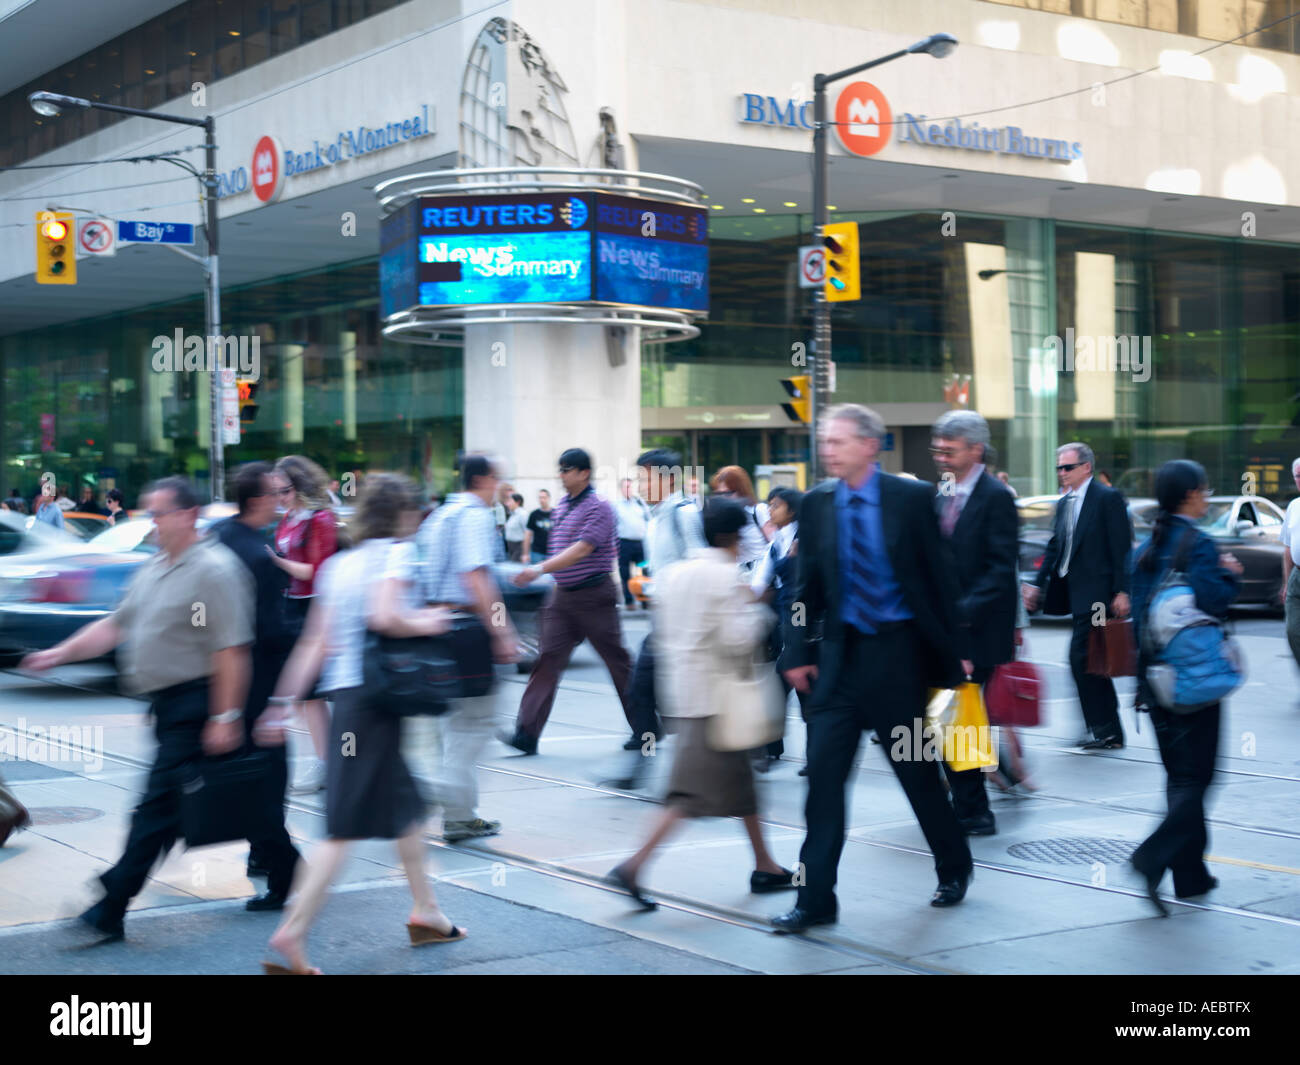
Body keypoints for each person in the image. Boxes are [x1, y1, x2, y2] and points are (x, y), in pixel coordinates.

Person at [20, 476, 254, 941]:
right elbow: (117, 625)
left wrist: (225, 716)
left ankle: (112, 904)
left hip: (196, 702)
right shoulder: (155, 567)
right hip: (166, 706)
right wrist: (58, 654)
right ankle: (288, 869)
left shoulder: (212, 570)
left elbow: (231, 649)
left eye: (159, 513)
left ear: (187, 515)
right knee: (175, 809)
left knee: (155, 809)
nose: (151, 522)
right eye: (149, 513)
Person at [773, 404, 971, 934]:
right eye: (825, 440)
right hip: (840, 663)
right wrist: (795, 652)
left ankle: (954, 867)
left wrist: (957, 651)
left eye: (837, 441)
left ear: (869, 445)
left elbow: (940, 580)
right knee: (823, 784)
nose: (827, 449)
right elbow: (803, 588)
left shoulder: (911, 500)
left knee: (918, 775)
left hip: (898, 660)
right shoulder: (816, 505)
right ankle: (815, 899)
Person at [260, 474, 462, 975]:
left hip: (352, 702)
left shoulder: (339, 566)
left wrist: (281, 702)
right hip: (371, 707)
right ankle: (293, 933)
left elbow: (313, 644)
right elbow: (386, 616)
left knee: (405, 806)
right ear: (403, 514)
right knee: (343, 827)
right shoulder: (392, 555)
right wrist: (430, 622)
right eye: (415, 511)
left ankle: (426, 909)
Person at [607, 498, 797, 908]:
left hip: (683, 696)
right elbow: (737, 639)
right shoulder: (724, 577)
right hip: (716, 704)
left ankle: (766, 865)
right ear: (734, 536)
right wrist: (760, 614)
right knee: (687, 796)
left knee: (745, 787)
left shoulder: (675, 574)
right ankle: (633, 867)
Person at [1128, 460, 1241, 915]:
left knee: (1180, 776)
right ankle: (1151, 857)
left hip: (1154, 682)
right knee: (1201, 777)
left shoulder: (1141, 551)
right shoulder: (1201, 543)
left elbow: (1137, 620)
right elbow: (1216, 601)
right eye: (1206, 489)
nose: (1208, 496)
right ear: (1192, 494)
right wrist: (1228, 572)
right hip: (1195, 683)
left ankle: (1190, 876)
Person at [500, 448, 636, 754]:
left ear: (584, 473)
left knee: (617, 662)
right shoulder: (562, 505)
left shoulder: (599, 507)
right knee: (546, 660)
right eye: (560, 469)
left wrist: (538, 569)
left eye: (566, 469)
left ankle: (646, 728)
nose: (561, 475)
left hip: (594, 595)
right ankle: (526, 733)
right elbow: (561, 549)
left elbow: (582, 548)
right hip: (561, 597)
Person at [211, 463, 303, 910]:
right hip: (256, 681)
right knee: (265, 777)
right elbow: (272, 631)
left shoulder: (221, 537)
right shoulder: (258, 556)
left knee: (250, 775)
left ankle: (265, 851)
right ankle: (283, 863)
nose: (280, 500)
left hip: (223, 678)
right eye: (274, 494)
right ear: (256, 501)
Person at [414, 454, 518, 841]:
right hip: (468, 629)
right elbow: (474, 575)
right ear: (484, 479)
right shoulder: (475, 515)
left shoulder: (442, 514)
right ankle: (429, 791)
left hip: (439, 626)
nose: (501, 489)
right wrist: (502, 630)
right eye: (499, 480)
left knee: (456, 726)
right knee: (476, 725)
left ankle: (459, 816)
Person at [930, 411, 1019, 836]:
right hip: (944, 627)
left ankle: (974, 809)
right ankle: (967, 801)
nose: (940, 456)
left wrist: (960, 614)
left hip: (975, 631)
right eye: (938, 449)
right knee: (952, 716)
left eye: (949, 449)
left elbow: (1000, 571)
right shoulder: (944, 489)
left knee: (956, 713)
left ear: (975, 449)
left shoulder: (996, 497)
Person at [602, 449, 708, 789]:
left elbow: (700, 563)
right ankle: (642, 762)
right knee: (641, 692)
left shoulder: (684, 513)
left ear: (668, 479)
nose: (642, 485)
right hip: (663, 623)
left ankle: (720, 767)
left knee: (690, 703)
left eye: (648, 478)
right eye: (641, 478)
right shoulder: (654, 517)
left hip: (687, 624)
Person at [1024, 442, 1133, 749]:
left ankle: (1104, 728)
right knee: (1091, 660)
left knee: (1082, 657)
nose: (1062, 473)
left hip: (1100, 596)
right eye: (1058, 467)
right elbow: (1055, 546)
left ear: (1086, 467)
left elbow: (1121, 547)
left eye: (1067, 467)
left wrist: (1123, 590)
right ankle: (1104, 729)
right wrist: (1036, 583)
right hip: (1075, 593)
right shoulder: (1064, 503)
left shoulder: (1107, 498)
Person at [272, 456, 339, 793]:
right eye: (275, 492)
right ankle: (327, 760)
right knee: (308, 696)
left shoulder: (320, 519)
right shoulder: (289, 518)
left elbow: (318, 572)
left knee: (322, 693)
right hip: (293, 607)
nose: (279, 497)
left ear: (298, 487)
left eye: (284, 491)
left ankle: (333, 761)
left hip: (316, 608)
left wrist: (275, 562)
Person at [750, 487, 804, 770]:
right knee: (779, 685)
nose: (770, 510)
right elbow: (758, 584)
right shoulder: (775, 545)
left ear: (792, 510)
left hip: (807, 622)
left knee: (802, 690)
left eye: (776, 505)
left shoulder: (807, 538)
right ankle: (770, 748)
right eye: (769, 505)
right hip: (786, 620)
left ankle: (775, 749)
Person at [710, 466, 770, 572]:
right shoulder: (719, 518)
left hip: (762, 576)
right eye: (719, 494)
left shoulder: (758, 511)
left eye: (728, 493)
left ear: (741, 490)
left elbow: (775, 546)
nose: (723, 497)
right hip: (736, 576)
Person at [613, 478, 650, 607]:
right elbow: (612, 526)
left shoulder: (640, 503)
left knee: (644, 571)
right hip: (624, 544)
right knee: (625, 573)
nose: (628, 489)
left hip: (640, 544)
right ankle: (629, 601)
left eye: (630, 486)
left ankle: (645, 599)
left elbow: (648, 520)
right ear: (621, 489)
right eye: (625, 487)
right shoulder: (616, 505)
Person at [1280, 458, 1300, 673]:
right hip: (1297, 576)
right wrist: (1286, 582)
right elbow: (1287, 547)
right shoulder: (1294, 507)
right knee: (1293, 631)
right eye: (1298, 476)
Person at [523, 488, 554, 565]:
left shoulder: (556, 513)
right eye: (540, 497)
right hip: (537, 553)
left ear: (549, 498)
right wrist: (525, 554)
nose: (542, 500)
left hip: (552, 552)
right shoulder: (534, 514)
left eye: (544, 497)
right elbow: (528, 535)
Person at [503, 492, 528, 562]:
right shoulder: (512, 514)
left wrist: (525, 553)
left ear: (518, 502)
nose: (508, 504)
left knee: (515, 568)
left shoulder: (523, 514)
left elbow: (527, 532)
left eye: (510, 501)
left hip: (518, 547)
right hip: (510, 546)